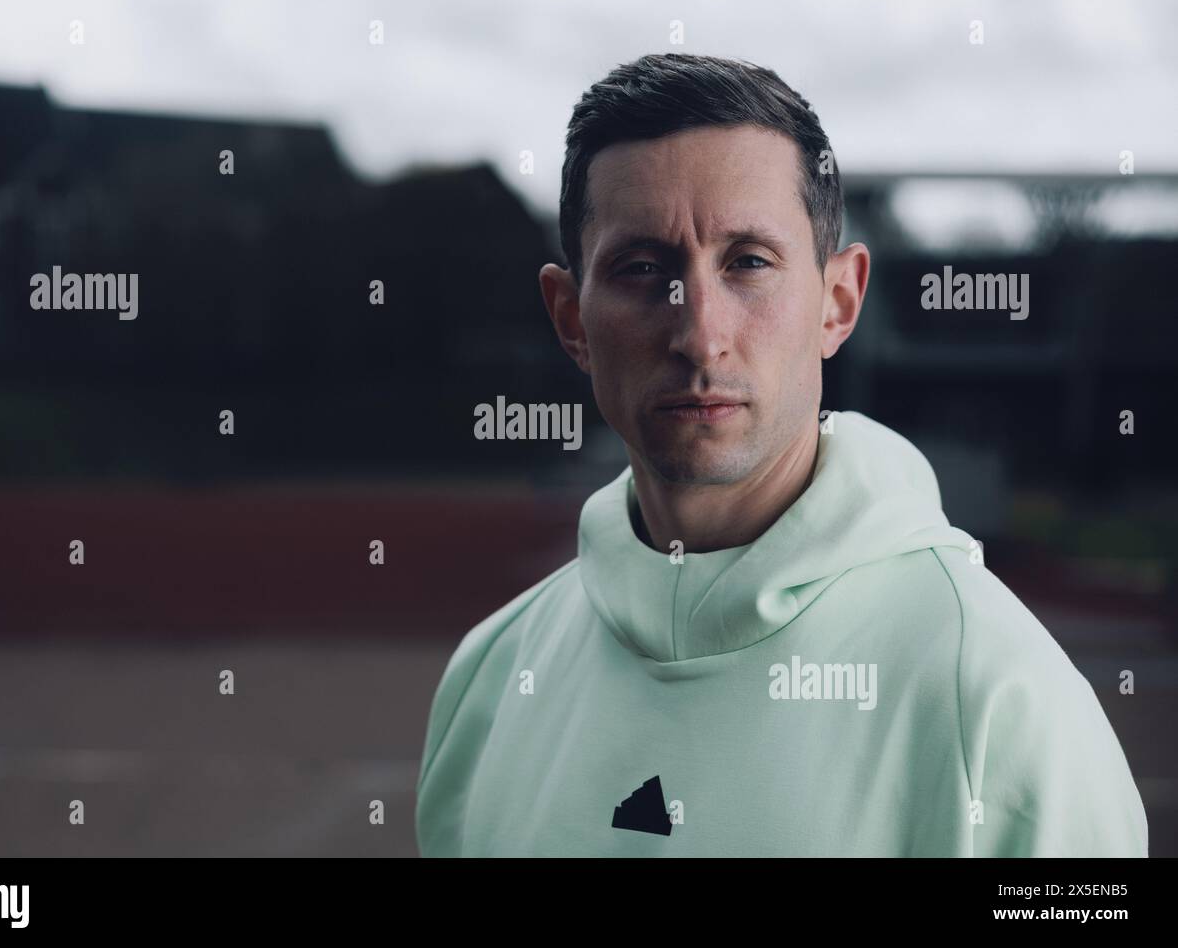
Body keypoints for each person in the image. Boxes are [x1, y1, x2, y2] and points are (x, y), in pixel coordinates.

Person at [415, 53, 1147, 856]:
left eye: (749, 263)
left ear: (838, 303)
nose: (699, 334)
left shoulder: (1000, 698)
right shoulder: (489, 677)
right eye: (642, 269)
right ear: (571, 319)